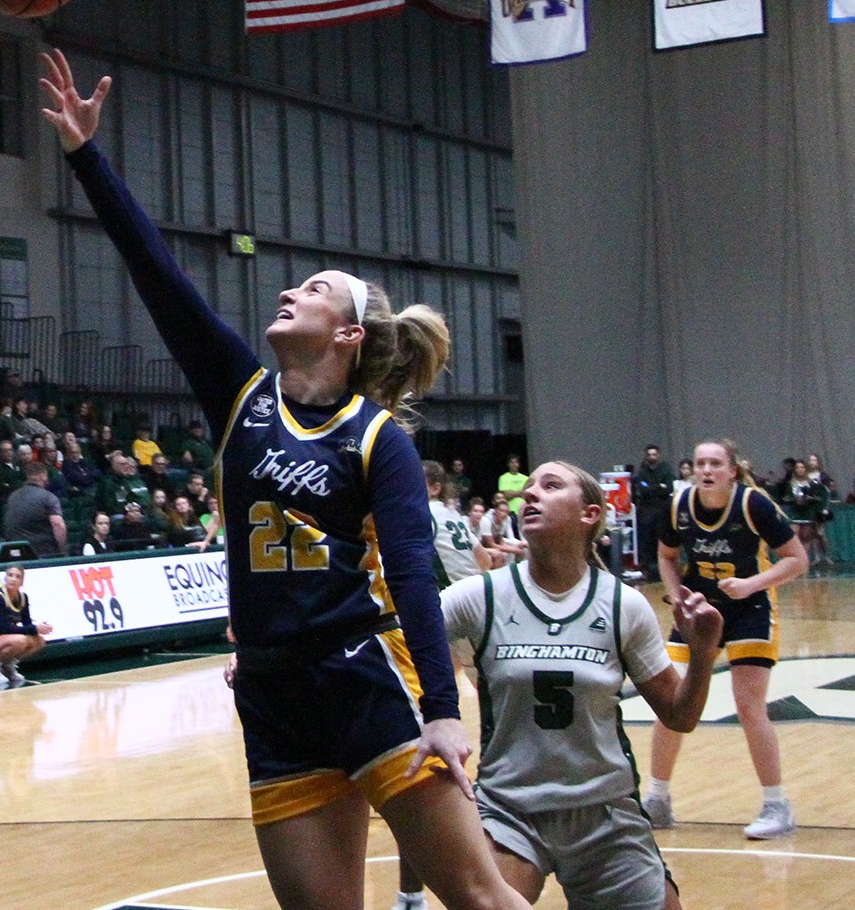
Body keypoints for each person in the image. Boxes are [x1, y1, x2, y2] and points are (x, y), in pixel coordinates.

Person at [43, 49, 521, 910]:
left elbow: (415, 581)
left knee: (482, 900)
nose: (293, 290)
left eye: (317, 288)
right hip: (270, 690)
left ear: (348, 336)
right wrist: (86, 156)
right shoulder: (240, 396)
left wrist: (444, 708)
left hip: (367, 674)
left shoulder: (377, 440)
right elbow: (160, 278)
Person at [428, 461, 721, 910]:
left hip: (604, 811)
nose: (531, 494)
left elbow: (679, 715)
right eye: (528, 488)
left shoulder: (624, 604)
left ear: (589, 514)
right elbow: (394, 640)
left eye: (550, 486)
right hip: (510, 810)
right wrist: (430, 717)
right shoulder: (480, 596)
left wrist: (702, 656)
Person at [644, 440, 808, 840]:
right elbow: (666, 556)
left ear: (732, 470)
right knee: (670, 702)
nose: (706, 469)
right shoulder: (678, 507)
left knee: (748, 705)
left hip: (749, 609)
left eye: (715, 463)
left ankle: (776, 804)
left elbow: (797, 560)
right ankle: (657, 800)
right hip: (698, 609)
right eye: (700, 462)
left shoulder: (755, 505)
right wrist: (675, 593)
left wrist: (753, 583)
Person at [0, 565, 54, 689]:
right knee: (20, 640)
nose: (13, 579)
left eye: (17, 576)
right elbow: (2, 628)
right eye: (10, 575)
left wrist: (41, 628)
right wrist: (34, 629)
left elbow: (27, 624)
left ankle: (8, 666)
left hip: (3, 641)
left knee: (39, 641)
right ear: (5, 578)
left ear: (22, 581)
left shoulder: (23, 598)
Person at [427, 461, 495, 583]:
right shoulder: (453, 513)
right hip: (474, 590)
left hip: (451, 595)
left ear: (436, 488)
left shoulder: (426, 513)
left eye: (414, 483)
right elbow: (485, 560)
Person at [2, 462, 68, 560]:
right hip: (46, 554)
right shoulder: (48, 497)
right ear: (42, 476)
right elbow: (58, 524)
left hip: (19, 553)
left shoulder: (12, 497)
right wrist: (63, 550)